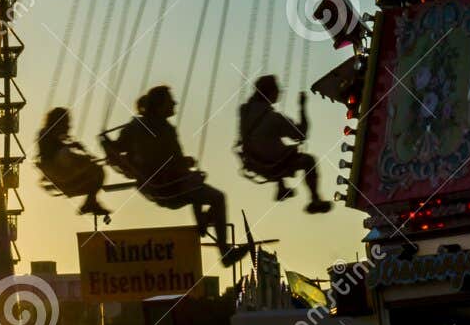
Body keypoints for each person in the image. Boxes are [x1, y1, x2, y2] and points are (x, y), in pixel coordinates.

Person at [108, 86, 247, 266]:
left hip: (152, 186)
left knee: (194, 181)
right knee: (217, 196)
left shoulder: (134, 126)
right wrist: (187, 162)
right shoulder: (166, 130)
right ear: (160, 106)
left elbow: (117, 148)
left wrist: (111, 148)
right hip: (171, 187)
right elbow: (177, 162)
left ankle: (203, 221)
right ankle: (223, 249)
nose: (174, 103)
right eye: (170, 101)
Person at [238, 76, 332, 214]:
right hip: (272, 164)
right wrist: (302, 107)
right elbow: (301, 133)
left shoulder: (244, 112)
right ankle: (315, 199)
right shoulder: (274, 119)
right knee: (309, 161)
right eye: (277, 90)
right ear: (270, 93)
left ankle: (281, 187)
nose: (280, 92)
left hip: (253, 162)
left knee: (272, 147)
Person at [35, 107, 108, 217]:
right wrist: (71, 145)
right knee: (67, 154)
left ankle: (90, 202)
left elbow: (57, 142)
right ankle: (90, 202)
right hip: (59, 172)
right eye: (66, 123)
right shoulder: (46, 134)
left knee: (98, 171)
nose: (69, 126)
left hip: (66, 174)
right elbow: (52, 145)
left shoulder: (58, 142)